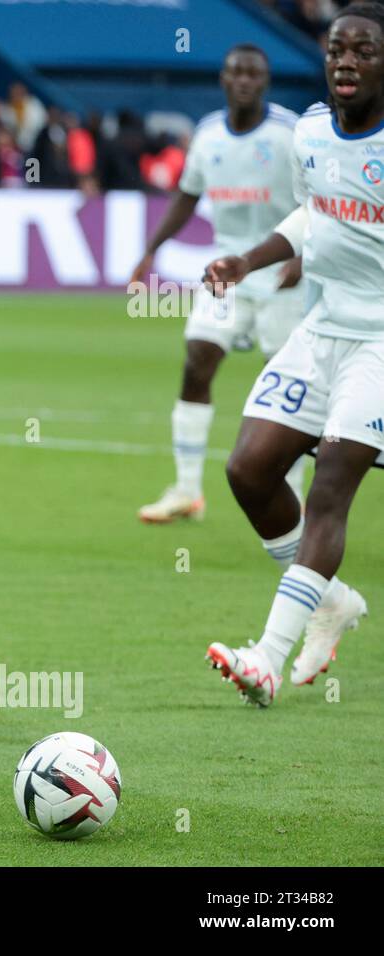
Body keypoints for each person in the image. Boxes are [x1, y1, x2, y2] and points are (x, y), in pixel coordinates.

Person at [202, 4, 384, 705]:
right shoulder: (308, 133)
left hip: (378, 343)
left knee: (331, 482)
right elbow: (313, 215)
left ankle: (268, 658)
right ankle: (331, 601)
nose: (346, 61)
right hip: (320, 328)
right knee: (249, 470)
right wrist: (246, 259)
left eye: (363, 50)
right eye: (338, 49)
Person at [132, 45, 306, 524]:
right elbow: (187, 197)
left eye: (254, 72)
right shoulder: (207, 134)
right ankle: (187, 491)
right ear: (224, 80)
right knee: (197, 360)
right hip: (227, 271)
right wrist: (151, 249)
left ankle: (294, 502)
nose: (245, 80)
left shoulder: (291, 133)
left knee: (287, 388)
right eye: (236, 72)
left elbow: (321, 200)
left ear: (266, 81)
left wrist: (303, 256)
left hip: (281, 273)